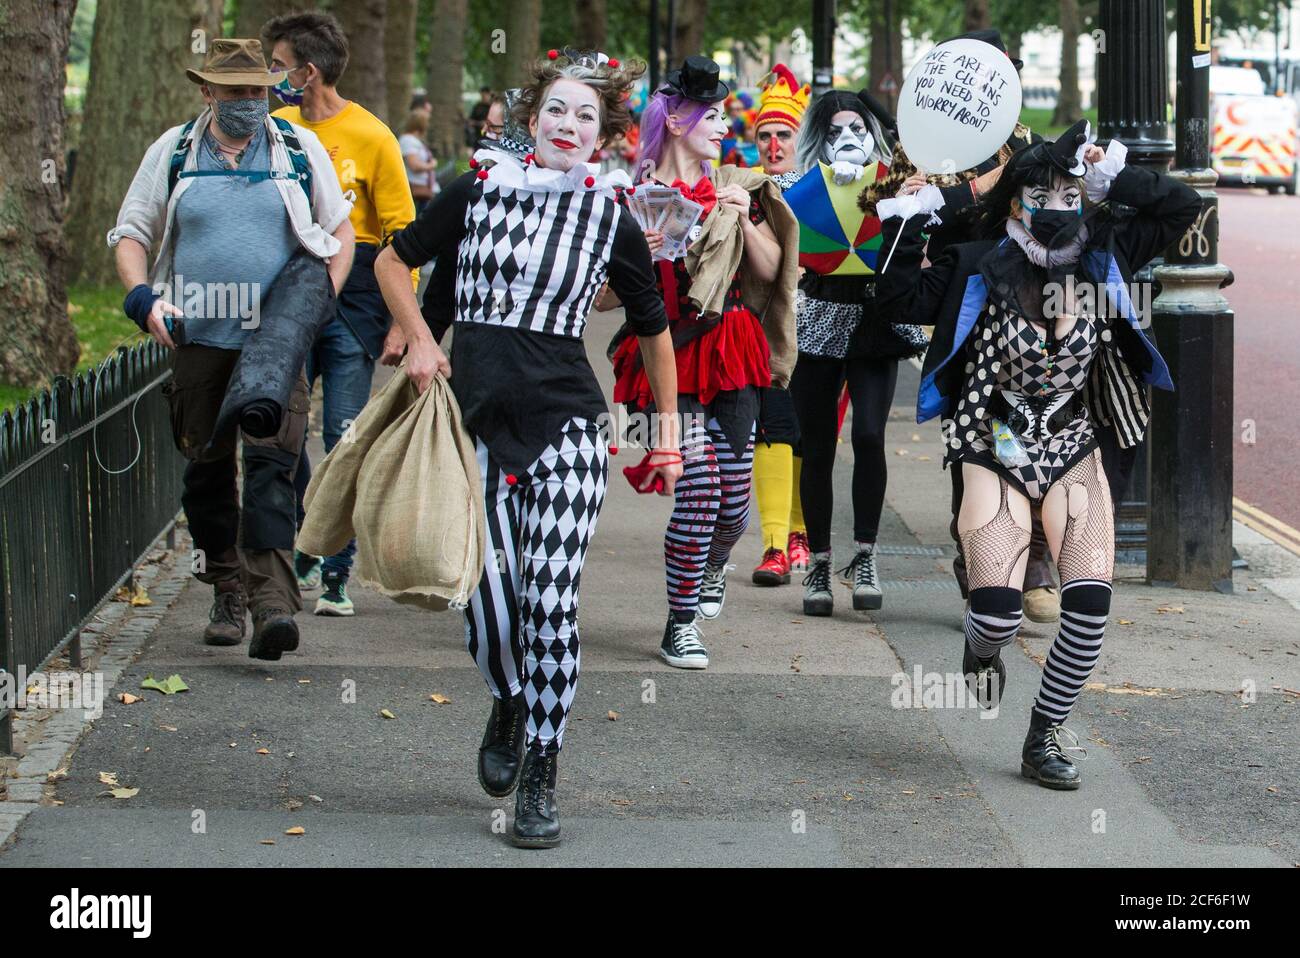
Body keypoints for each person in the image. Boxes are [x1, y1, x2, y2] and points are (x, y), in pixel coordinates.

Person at [375, 48, 681, 847]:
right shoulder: (478, 190)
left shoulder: (610, 214)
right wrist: (417, 339)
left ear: (605, 134)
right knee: (485, 605)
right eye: (556, 111)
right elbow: (393, 263)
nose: (569, 125)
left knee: (549, 605)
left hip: (569, 429)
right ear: (531, 119)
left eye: (586, 115)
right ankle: (509, 696)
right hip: (472, 426)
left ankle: (542, 770)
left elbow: (653, 330)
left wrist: (668, 439)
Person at [877, 120, 1200, 788]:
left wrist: (1113, 170)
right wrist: (911, 217)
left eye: (1071, 193)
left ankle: (1043, 735)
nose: (1058, 206)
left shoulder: (1104, 254)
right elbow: (899, 299)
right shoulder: (977, 258)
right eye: (1043, 193)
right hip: (991, 438)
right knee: (996, 613)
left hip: (1070, 439)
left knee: (1088, 604)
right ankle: (978, 649)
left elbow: (1182, 206)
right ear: (1018, 199)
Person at [108, 38, 354, 659]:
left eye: (257, 90)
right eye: (235, 91)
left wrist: (318, 298)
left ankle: (272, 603)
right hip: (199, 339)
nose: (248, 101)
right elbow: (133, 232)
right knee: (206, 469)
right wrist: (143, 299)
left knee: (273, 464)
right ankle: (226, 589)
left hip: (274, 342)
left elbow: (340, 231)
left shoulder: (297, 149)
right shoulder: (174, 152)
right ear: (207, 91)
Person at [608, 55, 799, 670]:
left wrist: (749, 225)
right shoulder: (631, 199)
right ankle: (680, 622)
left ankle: (712, 569)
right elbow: (603, 296)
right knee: (700, 489)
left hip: (735, 349)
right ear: (680, 122)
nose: (723, 126)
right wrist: (643, 255)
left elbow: (774, 274)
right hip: (669, 355)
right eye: (712, 116)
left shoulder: (736, 187)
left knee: (735, 503)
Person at [263, 10, 418, 617]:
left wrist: (405, 321)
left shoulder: (373, 136)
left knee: (345, 434)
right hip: (290, 285)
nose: (270, 76)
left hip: (356, 295)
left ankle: (335, 573)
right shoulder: (273, 128)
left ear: (307, 72)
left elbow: (404, 232)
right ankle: (308, 531)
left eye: (277, 65)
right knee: (283, 425)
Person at [785, 89, 926, 617]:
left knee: (868, 432)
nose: (849, 140)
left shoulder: (895, 185)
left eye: (858, 129)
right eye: (837, 131)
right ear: (821, 138)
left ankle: (865, 554)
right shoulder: (796, 191)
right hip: (819, 316)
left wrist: (913, 202)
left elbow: (930, 233)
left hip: (876, 320)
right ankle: (819, 561)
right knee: (816, 444)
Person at [749, 64, 812, 586]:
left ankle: (799, 532)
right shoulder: (744, 192)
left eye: (783, 135)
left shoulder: (821, 190)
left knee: (809, 437)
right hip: (767, 332)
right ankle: (773, 544)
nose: (773, 145)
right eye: (765, 136)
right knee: (771, 430)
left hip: (826, 327)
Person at [399, 109, 439, 213]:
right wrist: (431, 165)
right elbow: (414, 166)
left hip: (425, 188)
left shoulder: (415, 140)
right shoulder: (408, 140)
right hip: (418, 189)